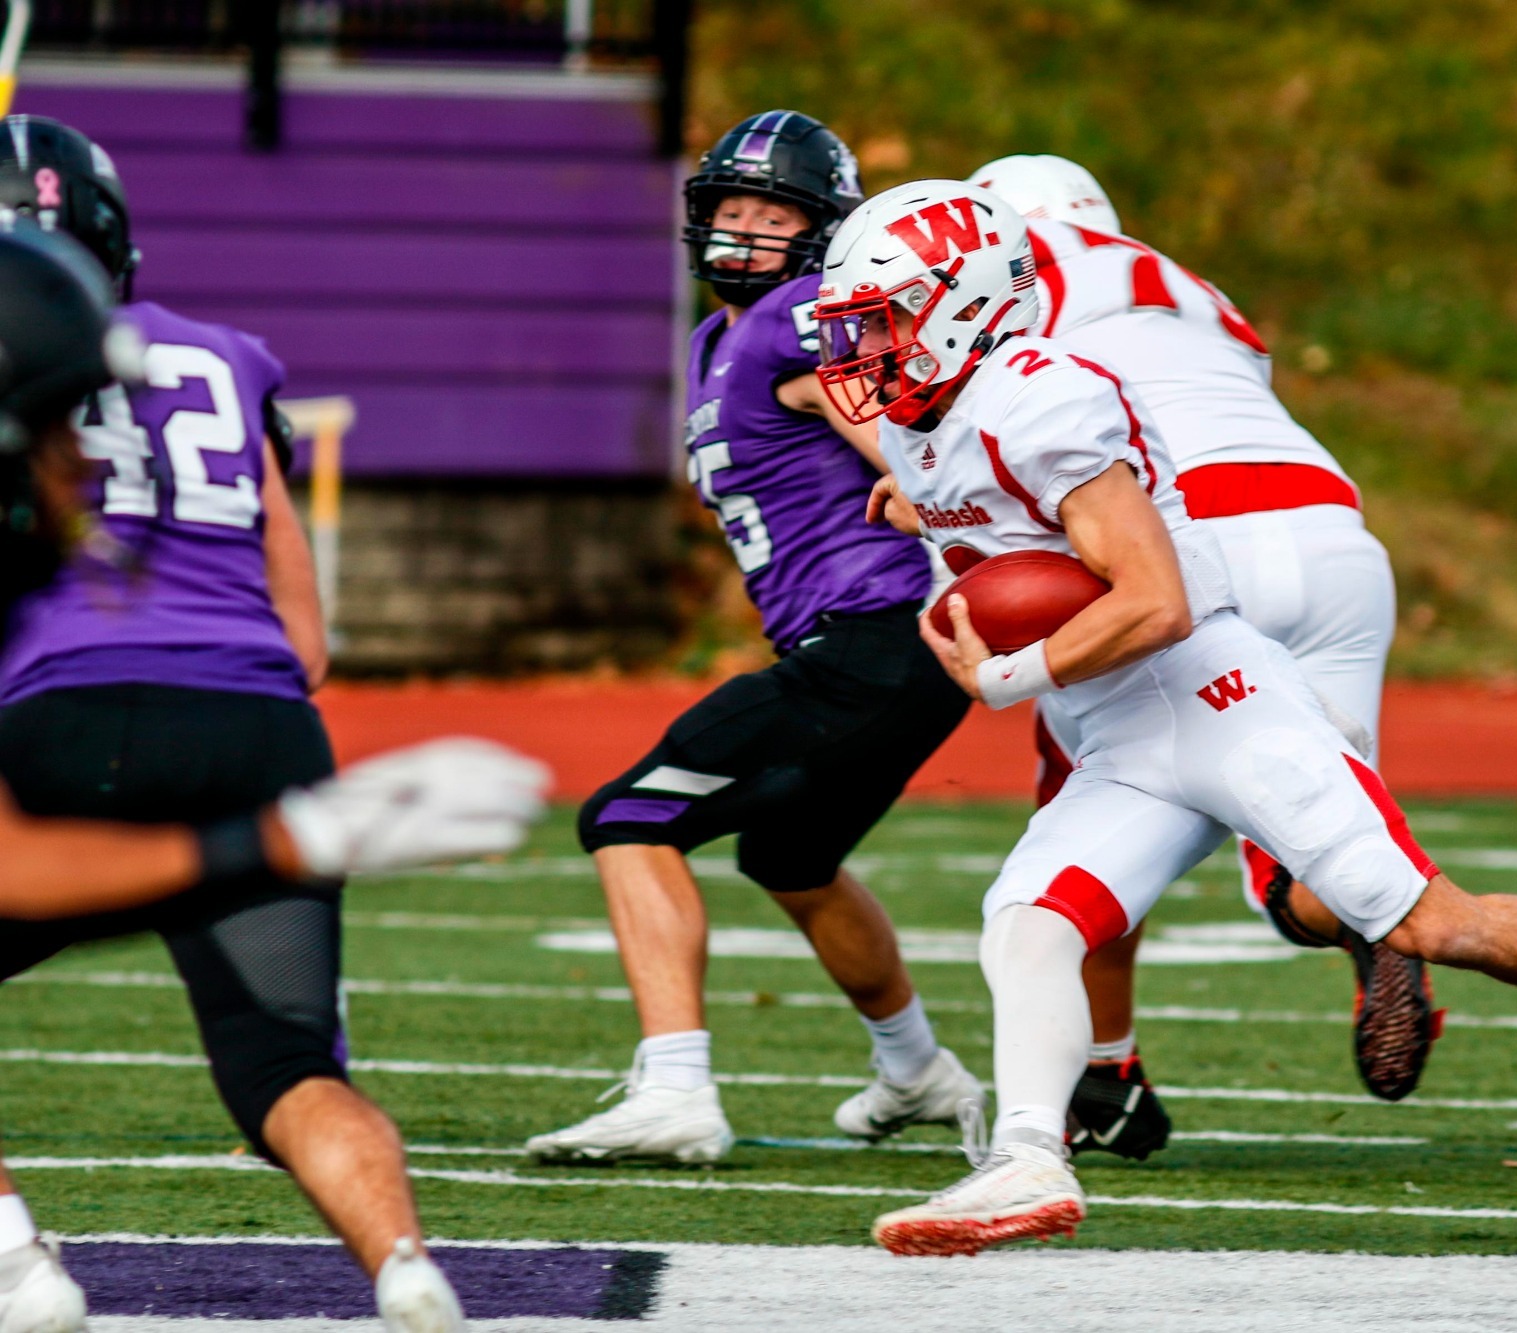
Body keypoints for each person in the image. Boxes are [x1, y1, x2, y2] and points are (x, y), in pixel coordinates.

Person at [815, 179, 1517, 1257]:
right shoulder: (921, 417)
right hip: (1123, 738)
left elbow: (1155, 598)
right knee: (1026, 916)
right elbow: (959, 492)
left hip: (1215, 695)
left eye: (880, 319)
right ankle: (1027, 1160)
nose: (860, 350)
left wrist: (1009, 672)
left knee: (1431, 924)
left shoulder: (1041, 394)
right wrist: (930, 510)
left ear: (962, 305)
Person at [0, 224, 550, 1333]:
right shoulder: (215, 372)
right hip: (255, 720)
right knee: (282, 1061)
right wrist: (286, 837)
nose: (94, 460)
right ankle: (405, 1268)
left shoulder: (39, 554)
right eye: (70, 421)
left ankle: (15, 1268)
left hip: (71, 725)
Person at [526, 111, 979, 1167]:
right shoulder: (713, 339)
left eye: (770, 212)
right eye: (728, 207)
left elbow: (914, 445)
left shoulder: (804, 318)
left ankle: (676, 1086)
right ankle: (915, 1070)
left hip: (874, 638)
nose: (742, 227)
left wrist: (934, 503)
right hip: (861, 651)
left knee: (626, 816)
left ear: (818, 230)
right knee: (792, 854)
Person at [968, 154, 1418, 1158]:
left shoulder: (1001, 280)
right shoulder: (1194, 291)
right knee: (1324, 839)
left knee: (1084, 805)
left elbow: (1041, 454)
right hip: (1333, 536)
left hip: (1190, 548)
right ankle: (1372, 918)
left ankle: (1104, 1070)